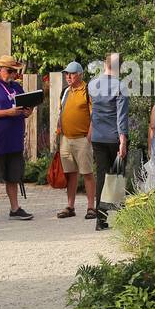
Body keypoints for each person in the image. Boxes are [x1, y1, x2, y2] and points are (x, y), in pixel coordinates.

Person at [0, 54, 34, 221]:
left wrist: (27, 111)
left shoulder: (17, 88)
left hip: (14, 140)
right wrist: (7, 113)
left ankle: (15, 209)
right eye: (9, 71)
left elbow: (24, 107)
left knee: (13, 177)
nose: (12, 74)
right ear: (0, 70)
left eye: (14, 71)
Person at [87, 53, 129, 231]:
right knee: (118, 176)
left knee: (102, 176)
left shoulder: (92, 85)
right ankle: (122, 217)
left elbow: (94, 112)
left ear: (105, 64)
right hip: (113, 137)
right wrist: (123, 140)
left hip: (98, 137)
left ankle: (100, 219)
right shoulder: (121, 86)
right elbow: (121, 117)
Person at [54, 61, 97, 219]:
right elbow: (61, 112)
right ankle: (70, 207)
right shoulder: (66, 91)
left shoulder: (88, 90)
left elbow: (94, 115)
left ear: (80, 74)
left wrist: (89, 135)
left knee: (87, 173)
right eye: (66, 74)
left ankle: (91, 207)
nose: (68, 76)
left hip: (82, 139)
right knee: (70, 174)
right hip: (66, 138)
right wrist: (58, 132)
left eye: (71, 73)